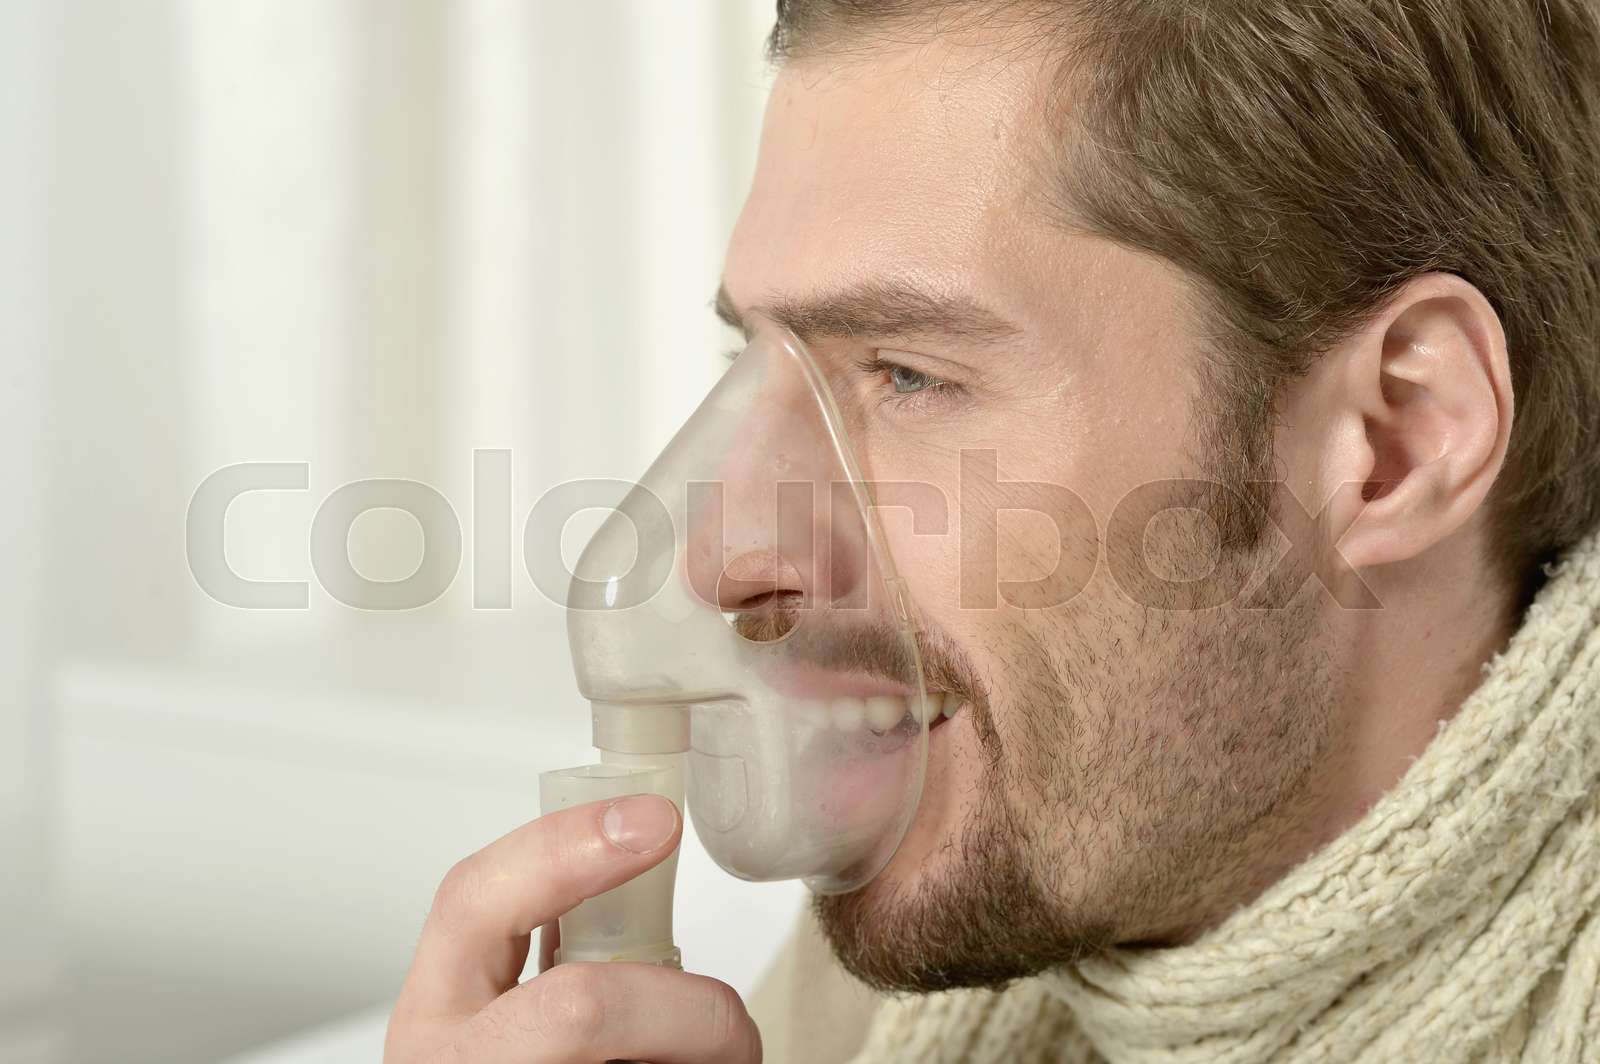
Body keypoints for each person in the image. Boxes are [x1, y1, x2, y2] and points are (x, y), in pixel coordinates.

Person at [384, 2, 1600, 1060]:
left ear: (1393, 441)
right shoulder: (947, 950)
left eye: (908, 375)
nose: (720, 555)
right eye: (753, 360)